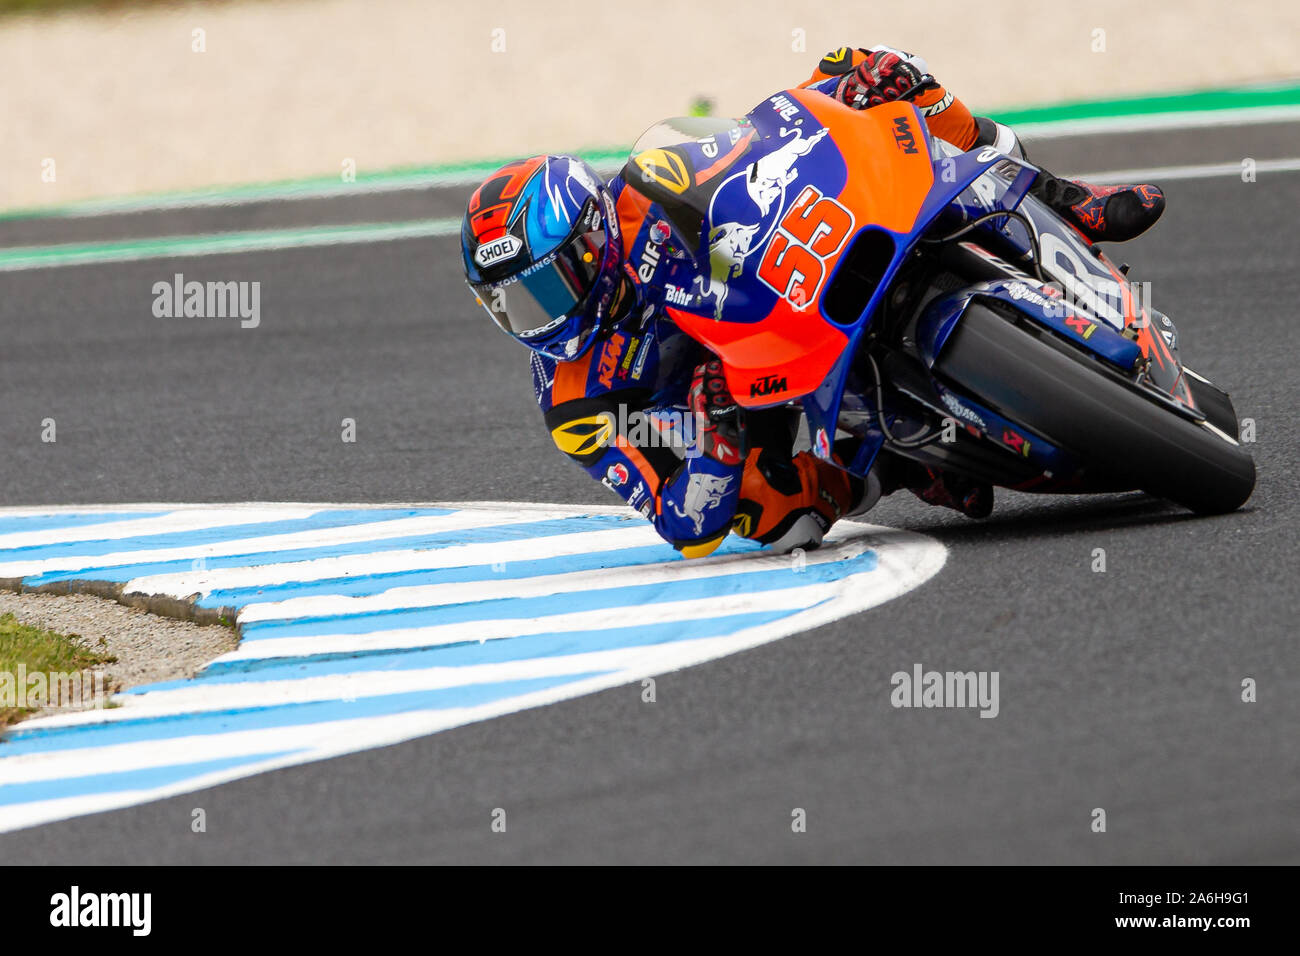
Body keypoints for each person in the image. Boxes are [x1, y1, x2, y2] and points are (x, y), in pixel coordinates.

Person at [460, 46, 1166, 557]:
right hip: (741, 403)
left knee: (877, 67)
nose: (540, 319)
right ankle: (898, 467)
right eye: (512, 306)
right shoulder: (576, 402)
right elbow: (683, 521)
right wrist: (714, 444)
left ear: (593, 238)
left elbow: (758, 140)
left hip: (775, 281)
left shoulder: (649, 189)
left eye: (545, 288)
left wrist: (841, 85)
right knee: (775, 520)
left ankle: (1062, 196)